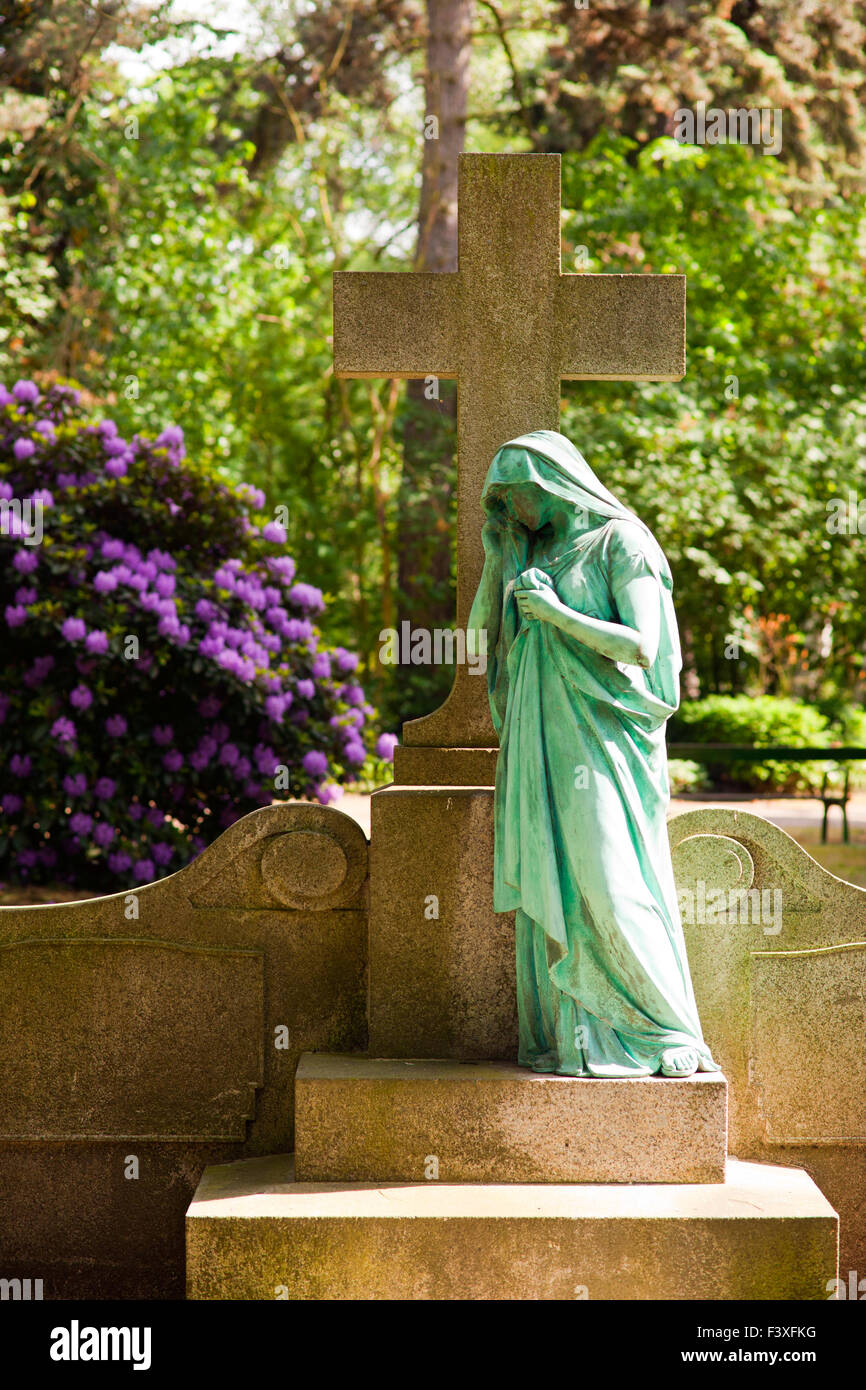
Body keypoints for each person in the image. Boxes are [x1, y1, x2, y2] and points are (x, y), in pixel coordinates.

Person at [468, 429, 717, 1078]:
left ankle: (664, 1029)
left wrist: (555, 615)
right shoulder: (534, 552)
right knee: (569, 888)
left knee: (611, 878)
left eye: (518, 493)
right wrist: (498, 556)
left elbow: (641, 644)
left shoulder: (622, 543)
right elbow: (475, 642)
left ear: (554, 482)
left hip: (603, 742)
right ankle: (578, 1031)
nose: (514, 507)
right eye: (504, 499)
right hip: (543, 742)